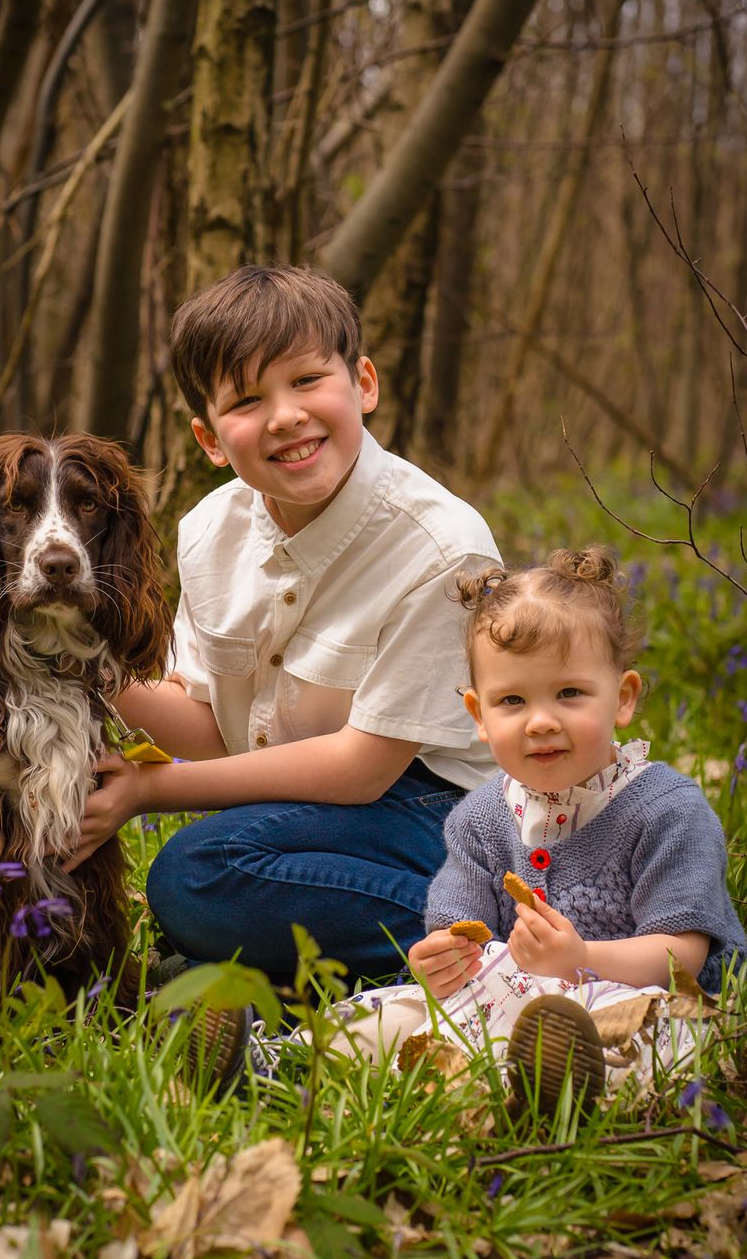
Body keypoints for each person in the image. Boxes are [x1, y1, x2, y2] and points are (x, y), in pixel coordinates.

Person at [68, 265, 500, 983]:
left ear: (363, 383)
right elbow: (212, 728)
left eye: (306, 381)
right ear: (210, 438)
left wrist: (149, 791)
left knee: (199, 872)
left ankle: (498, 935)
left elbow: (363, 770)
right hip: (312, 811)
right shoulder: (210, 530)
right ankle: (297, 981)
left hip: (439, 811)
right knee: (208, 875)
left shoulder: (441, 547)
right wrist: (85, 661)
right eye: (246, 399)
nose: (285, 416)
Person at [292, 546, 747, 1107]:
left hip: (641, 995)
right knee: (395, 1014)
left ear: (623, 698)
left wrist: (580, 961)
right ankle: (280, 1059)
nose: (540, 721)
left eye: (570, 693)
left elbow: (682, 958)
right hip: (512, 997)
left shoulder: (668, 811)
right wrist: (436, 960)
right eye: (511, 700)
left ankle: (543, 1083)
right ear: (479, 717)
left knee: (658, 1043)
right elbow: (457, 931)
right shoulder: (481, 820)